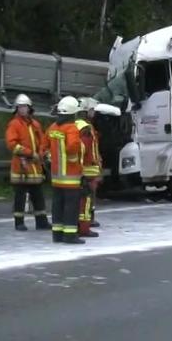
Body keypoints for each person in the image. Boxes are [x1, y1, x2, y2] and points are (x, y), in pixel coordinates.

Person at [6, 94, 52, 232]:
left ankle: (41, 221)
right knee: (20, 196)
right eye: (20, 107)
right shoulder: (14, 124)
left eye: (24, 106)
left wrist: (43, 152)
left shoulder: (35, 124)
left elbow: (42, 141)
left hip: (35, 166)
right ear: (16, 108)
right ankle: (19, 222)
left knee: (38, 195)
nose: (22, 109)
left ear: (29, 108)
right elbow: (12, 144)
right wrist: (29, 153)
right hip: (21, 164)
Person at [46, 96, 87, 245]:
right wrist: (74, 158)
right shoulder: (71, 129)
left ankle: (57, 234)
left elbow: (44, 147)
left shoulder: (52, 128)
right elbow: (73, 147)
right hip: (70, 176)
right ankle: (70, 235)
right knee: (71, 206)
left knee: (57, 205)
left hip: (56, 177)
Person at [76, 98, 103, 238]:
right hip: (87, 169)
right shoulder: (85, 128)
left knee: (88, 199)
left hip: (89, 168)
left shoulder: (87, 126)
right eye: (92, 110)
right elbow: (84, 150)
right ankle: (85, 225)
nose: (94, 113)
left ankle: (87, 221)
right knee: (86, 199)